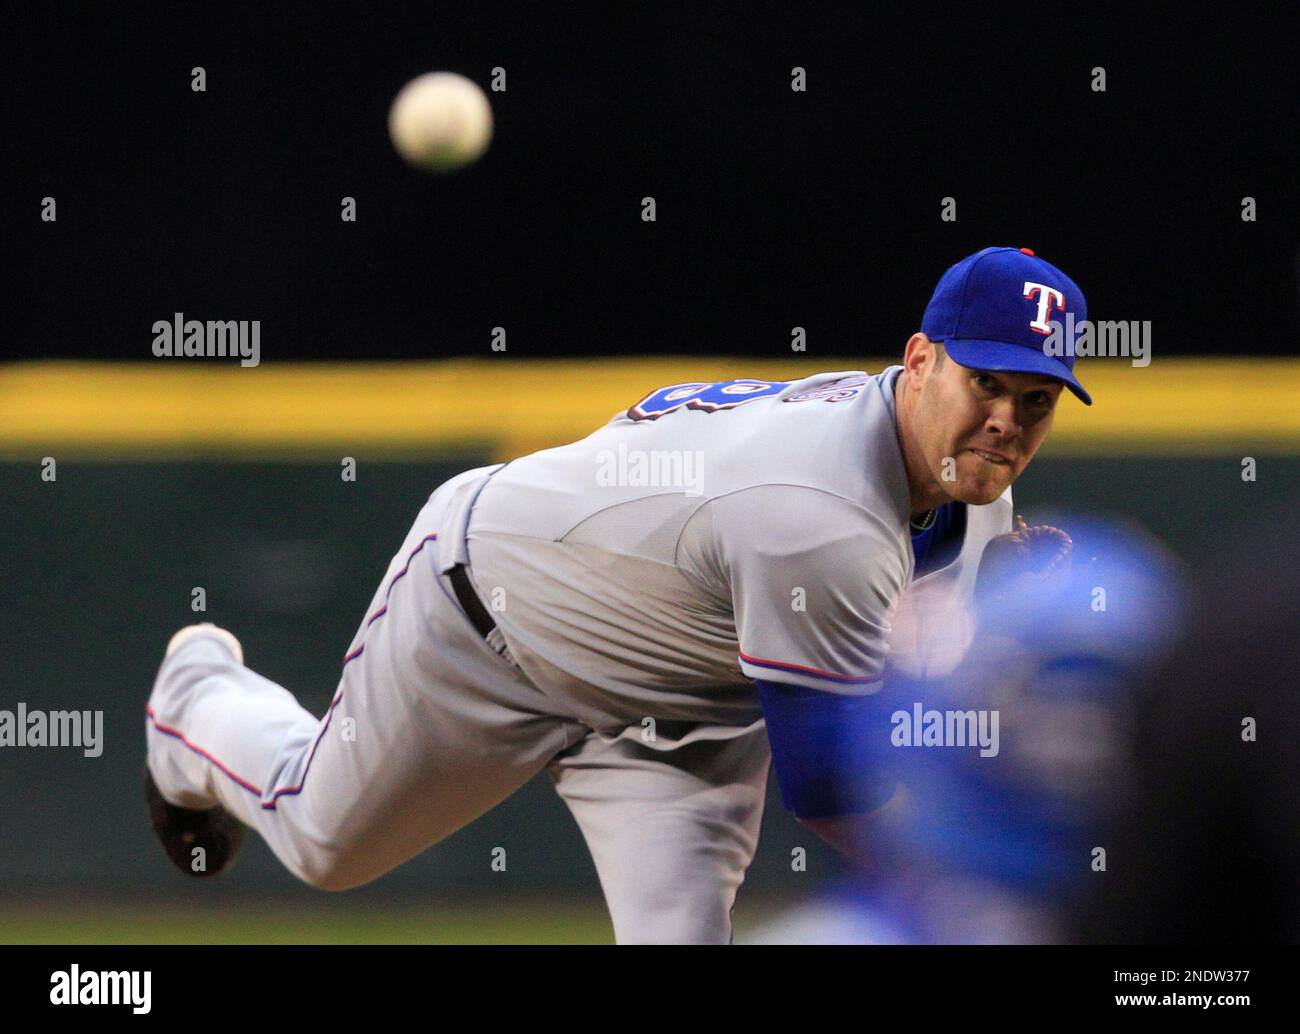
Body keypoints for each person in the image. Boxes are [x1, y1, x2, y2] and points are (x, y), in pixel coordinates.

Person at [145, 245, 1090, 944]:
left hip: (685, 711)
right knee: (325, 844)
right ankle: (195, 701)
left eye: (1037, 400)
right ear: (920, 361)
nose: (1006, 420)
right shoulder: (820, 509)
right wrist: (1003, 890)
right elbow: (831, 786)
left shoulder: (967, 500)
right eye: (986, 382)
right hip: (489, 624)